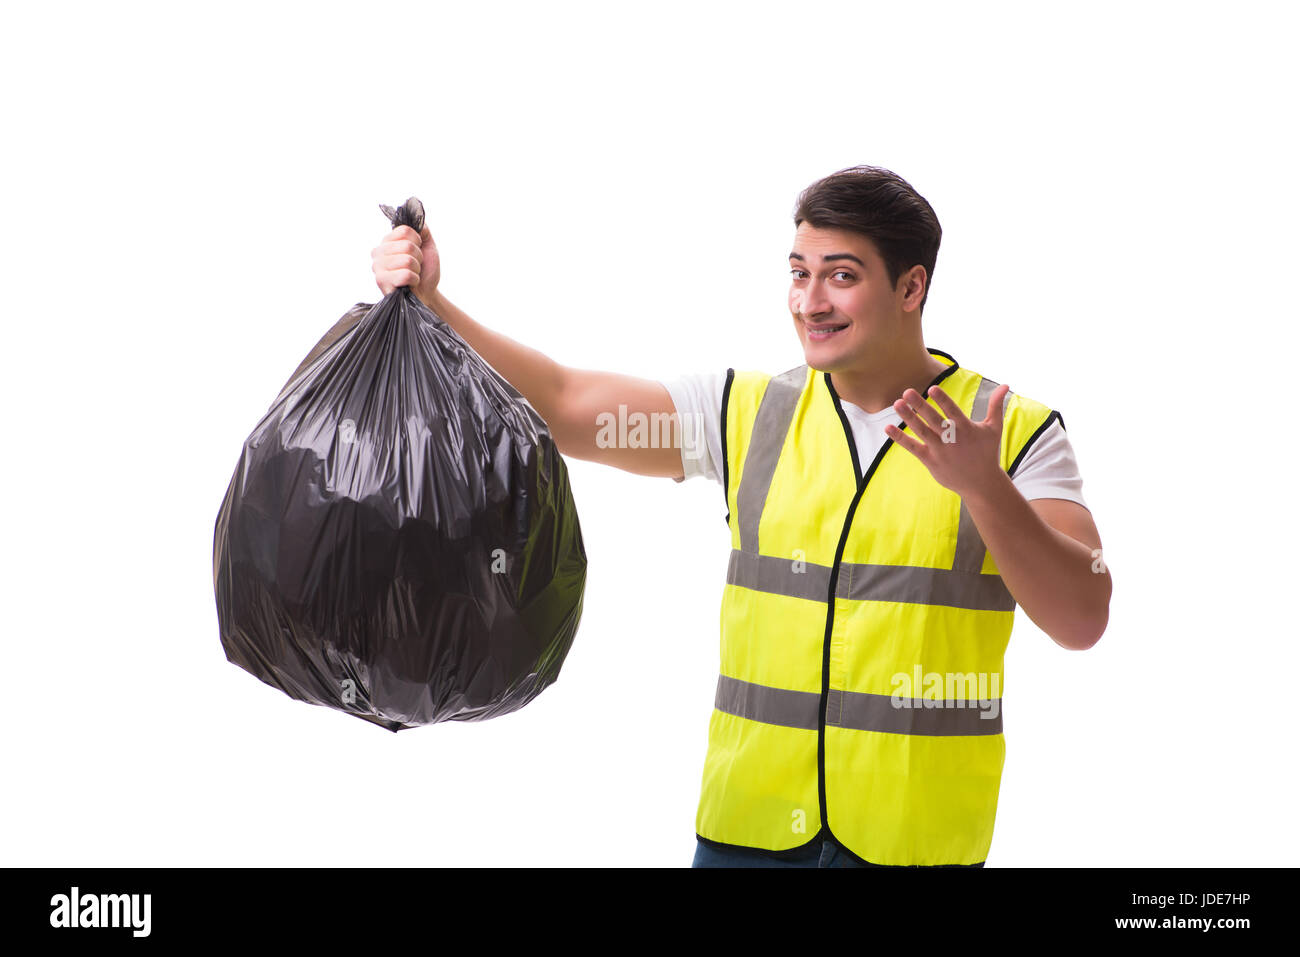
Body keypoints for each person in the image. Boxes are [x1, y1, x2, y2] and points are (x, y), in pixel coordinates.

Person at [366, 165, 1112, 868]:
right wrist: (436, 302)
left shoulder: (1014, 432)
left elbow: (1082, 616)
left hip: (915, 844)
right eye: (799, 272)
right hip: (746, 833)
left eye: (841, 276)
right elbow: (563, 404)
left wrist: (986, 488)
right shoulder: (747, 414)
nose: (810, 301)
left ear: (912, 286)